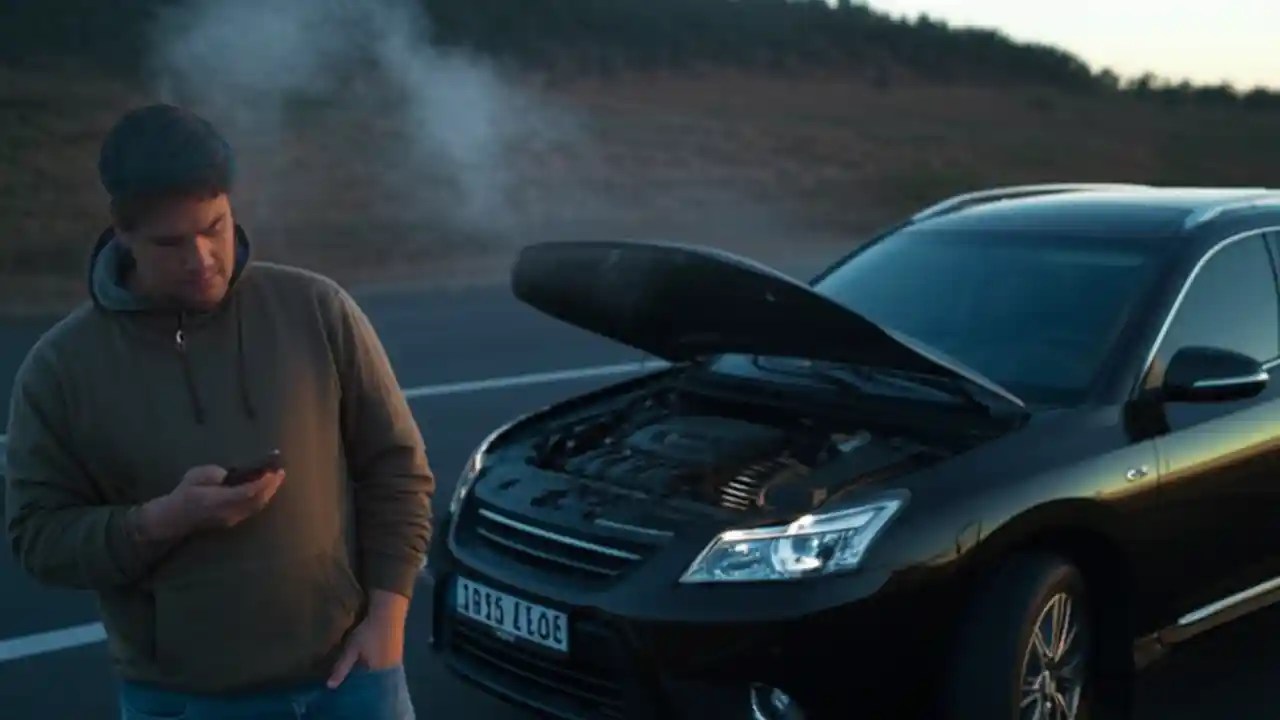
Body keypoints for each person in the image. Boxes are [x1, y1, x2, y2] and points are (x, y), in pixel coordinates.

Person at [3, 104, 435, 719]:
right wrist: (160, 520)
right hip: (182, 700)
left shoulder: (315, 309)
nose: (202, 257)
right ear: (122, 234)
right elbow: (38, 538)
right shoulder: (60, 368)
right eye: (172, 243)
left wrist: (388, 620)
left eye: (216, 226)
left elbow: (397, 469)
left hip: (352, 682)